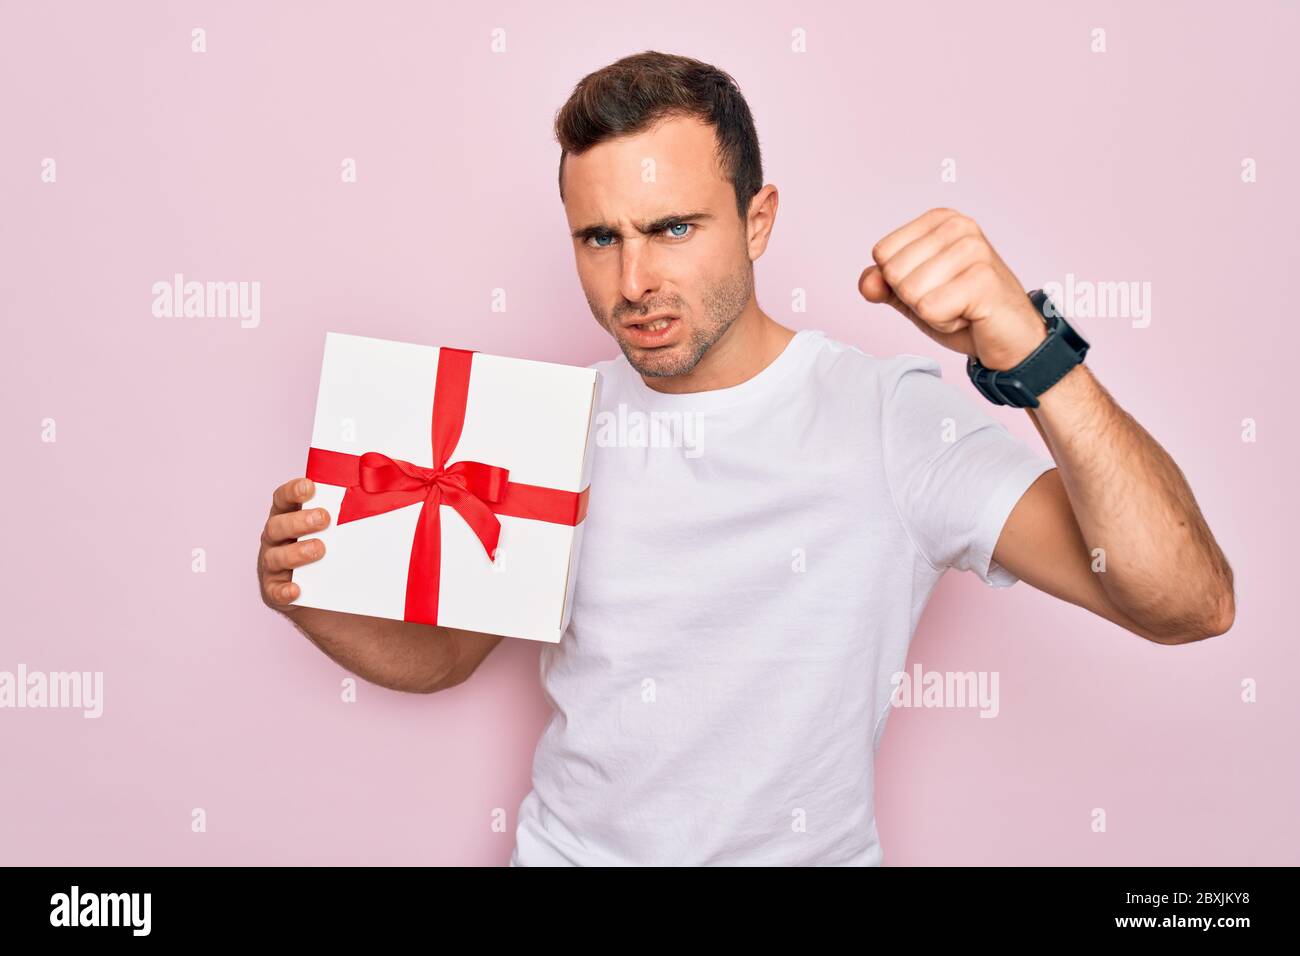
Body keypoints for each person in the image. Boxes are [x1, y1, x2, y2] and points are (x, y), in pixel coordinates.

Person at [257, 51, 1235, 866]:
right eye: (599, 237)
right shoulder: (549, 419)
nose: (633, 280)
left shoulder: (888, 419)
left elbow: (1187, 601)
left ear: (757, 220)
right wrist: (310, 593)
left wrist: (1034, 354)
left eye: (673, 227)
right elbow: (446, 657)